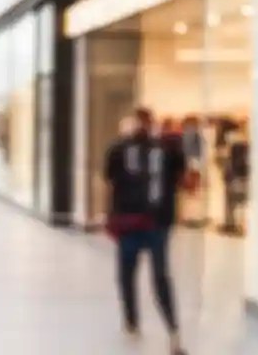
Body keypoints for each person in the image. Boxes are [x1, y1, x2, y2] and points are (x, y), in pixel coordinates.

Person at [104, 107, 187, 355]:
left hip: (154, 222)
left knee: (155, 275)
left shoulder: (166, 150)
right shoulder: (119, 150)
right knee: (130, 273)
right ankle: (133, 320)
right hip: (135, 222)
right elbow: (110, 181)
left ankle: (171, 330)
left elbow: (179, 175)